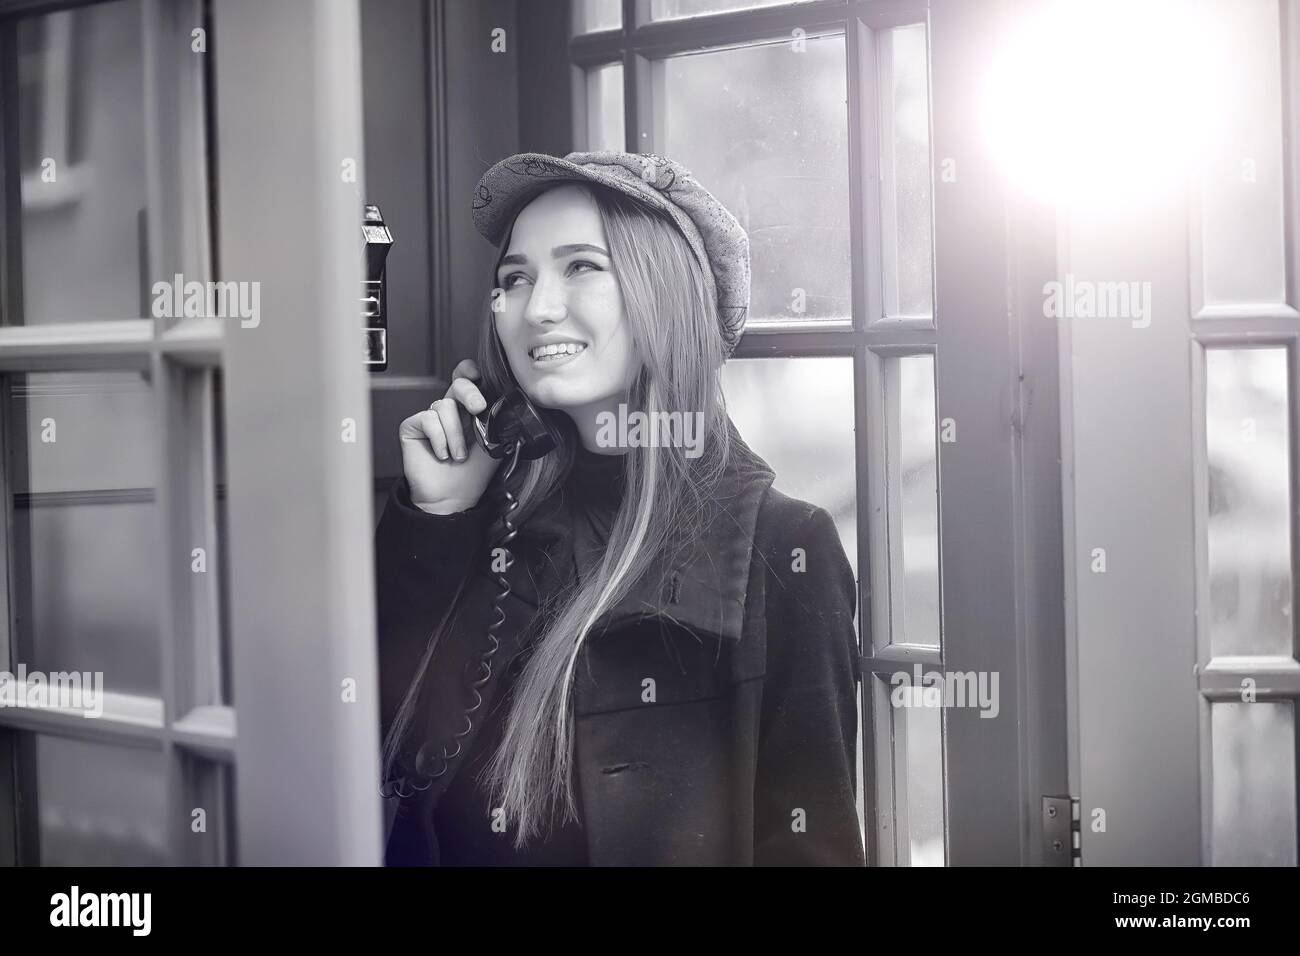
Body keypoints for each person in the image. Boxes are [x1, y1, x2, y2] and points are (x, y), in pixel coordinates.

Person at [376, 151, 864, 866]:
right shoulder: (489, 525)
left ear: (662, 296)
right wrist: (437, 521)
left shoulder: (785, 548)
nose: (537, 307)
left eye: (581, 267)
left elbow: (809, 845)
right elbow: (359, 753)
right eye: (516, 277)